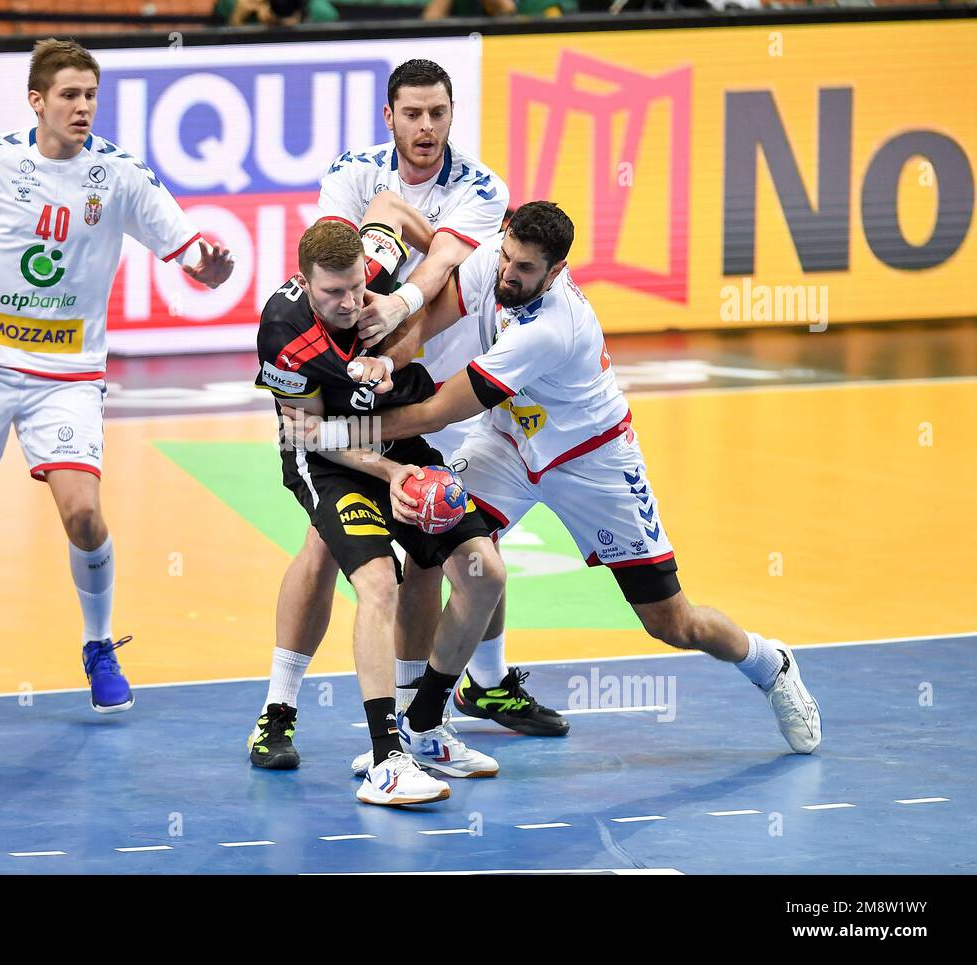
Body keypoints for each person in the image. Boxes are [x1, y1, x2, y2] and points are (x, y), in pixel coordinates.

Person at [289, 202, 823, 754]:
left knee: (671, 622)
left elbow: (438, 412)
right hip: (510, 443)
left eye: (525, 269)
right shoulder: (493, 262)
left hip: (593, 464)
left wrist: (340, 432)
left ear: (557, 271)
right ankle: (427, 715)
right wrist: (386, 363)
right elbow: (427, 319)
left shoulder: (550, 329)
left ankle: (769, 664)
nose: (508, 275)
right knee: (440, 547)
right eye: (508, 258)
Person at [0, 40, 233, 715]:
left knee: (83, 513)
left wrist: (212, 267)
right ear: (37, 100)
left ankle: (98, 644)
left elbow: (194, 255)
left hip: (68, 374)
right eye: (69, 95)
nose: (83, 107)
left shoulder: (120, 175)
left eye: (90, 95)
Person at [248, 59, 566, 770]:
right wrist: (382, 290)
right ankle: (281, 708)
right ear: (388, 116)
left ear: (453, 114)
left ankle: (450, 702)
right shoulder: (355, 173)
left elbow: (447, 261)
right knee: (329, 547)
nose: (427, 127)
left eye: (439, 113)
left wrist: (401, 303)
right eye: (413, 114)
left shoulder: (482, 187)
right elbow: (348, 240)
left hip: (444, 385)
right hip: (359, 385)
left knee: (449, 548)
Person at [254, 220, 506, 804]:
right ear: (303, 281)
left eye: (354, 290)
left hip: (399, 436)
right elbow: (311, 433)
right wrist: (391, 474)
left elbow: (434, 241)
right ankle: (384, 761)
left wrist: (398, 321)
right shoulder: (283, 332)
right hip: (330, 459)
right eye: (331, 294)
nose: (347, 304)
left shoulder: (374, 271)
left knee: (484, 572)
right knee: (377, 582)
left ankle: (423, 723)